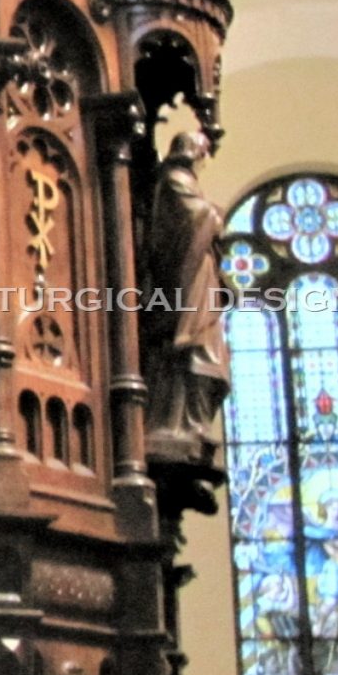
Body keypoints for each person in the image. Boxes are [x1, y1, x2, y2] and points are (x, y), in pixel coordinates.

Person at [143, 130, 230, 445]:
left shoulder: (185, 180)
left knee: (204, 347)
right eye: (204, 152)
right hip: (186, 278)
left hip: (200, 276)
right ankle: (178, 422)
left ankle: (193, 424)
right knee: (188, 347)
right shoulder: (173, 178)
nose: (204, 161)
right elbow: (192, 218)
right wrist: (215, 215)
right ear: (194, 151)